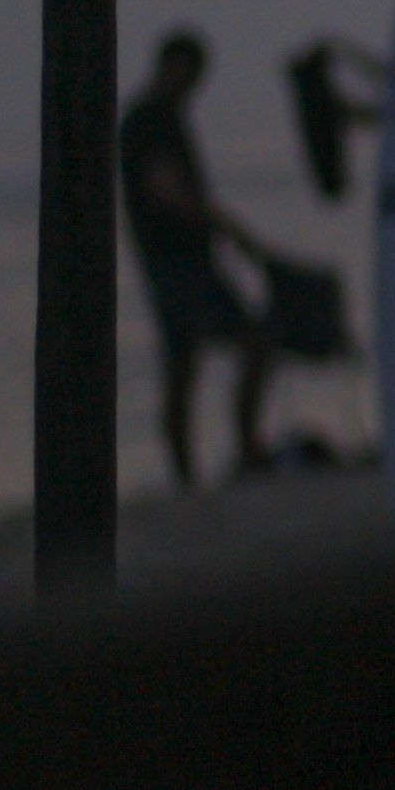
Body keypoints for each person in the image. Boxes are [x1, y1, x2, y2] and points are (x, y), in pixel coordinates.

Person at [120, 29, 277, 487]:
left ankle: (186, 473)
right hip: (178, 262)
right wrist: (225, 226)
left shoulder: (156, 117)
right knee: (252, 343)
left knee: (182, 365)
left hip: (172, 260)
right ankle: (240, 452)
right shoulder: (152, 120)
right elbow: (165, 188)